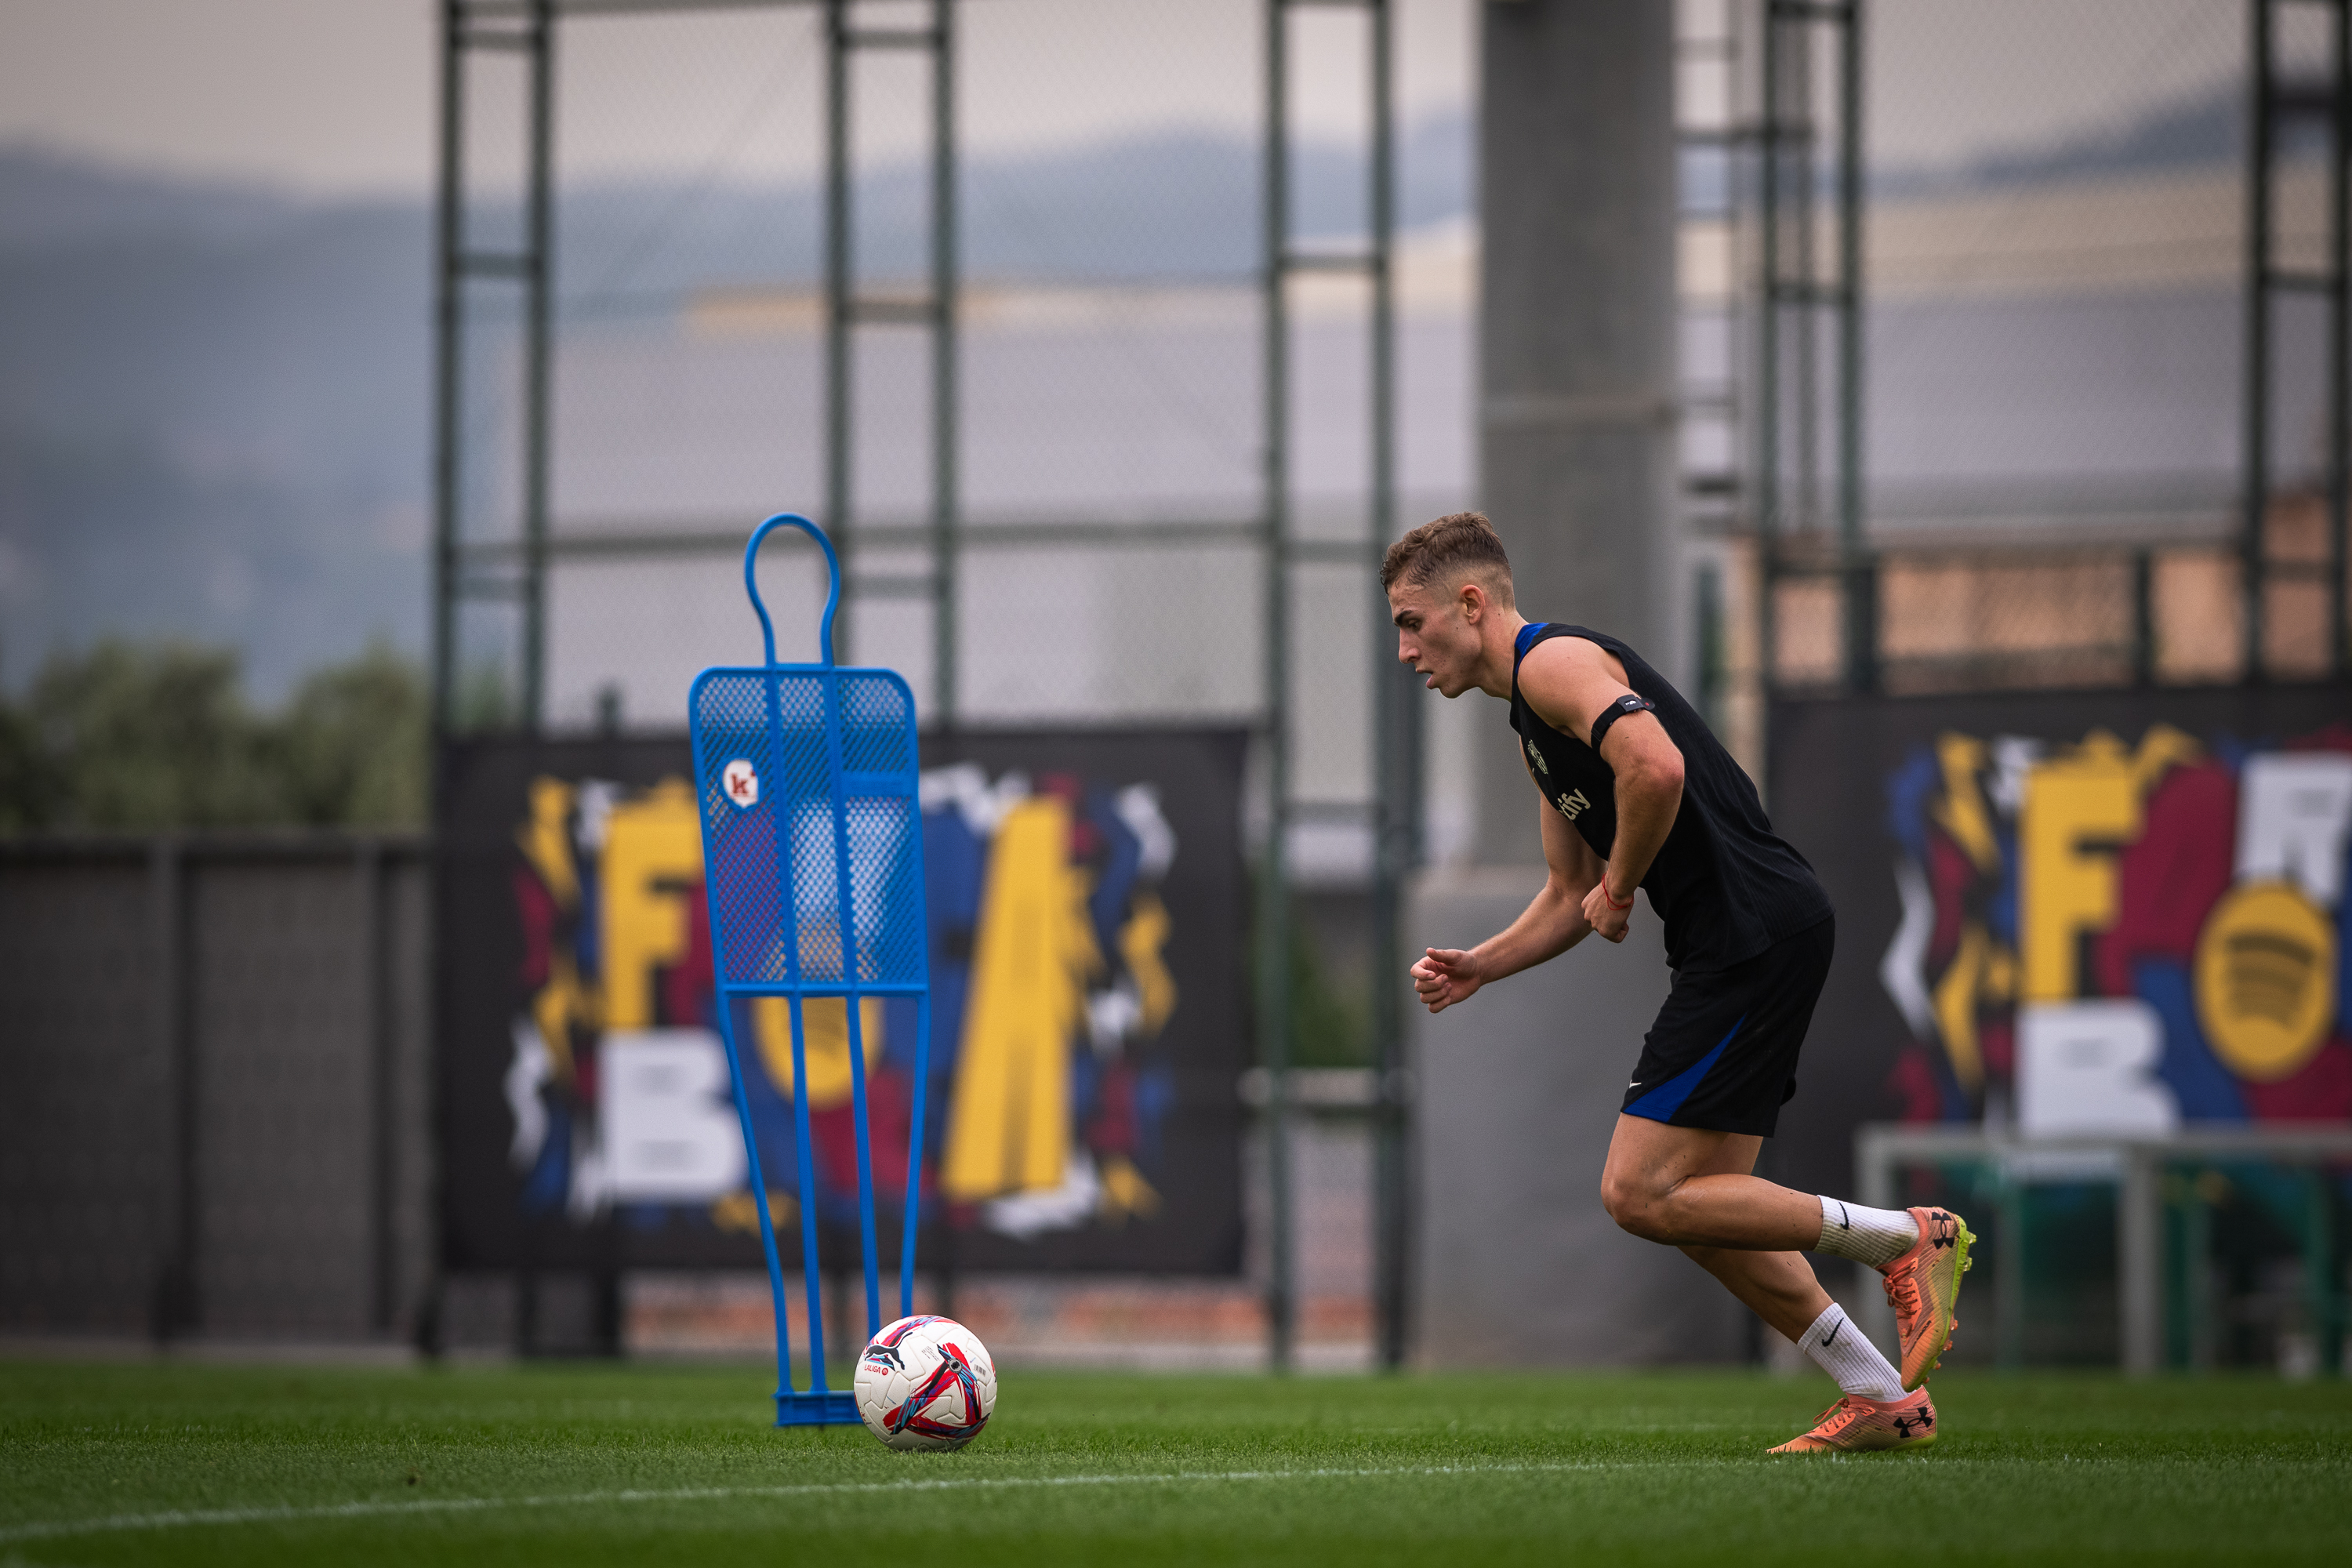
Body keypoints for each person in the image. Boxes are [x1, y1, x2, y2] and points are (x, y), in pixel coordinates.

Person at [1386, 511, 1971, 1455]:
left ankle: (1904, 1236)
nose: (1406, 649)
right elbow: (1567, 891)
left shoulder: (1552, 663)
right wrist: (1479, 964)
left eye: (1414, 622)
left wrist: (1623, 885)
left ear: (1471, 602)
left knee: (1638, 1192)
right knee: (1702, 1213)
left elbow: (1654, 764)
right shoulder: (1533, 719)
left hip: (1752, 933)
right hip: (1744, 938)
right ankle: (1878, 1393)